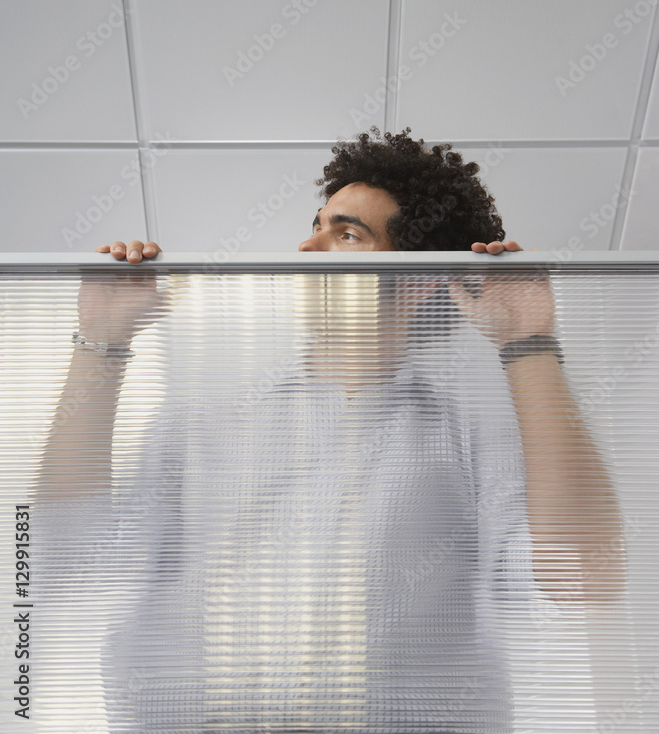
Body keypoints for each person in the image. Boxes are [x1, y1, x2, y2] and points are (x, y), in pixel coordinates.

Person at [35, 128, 625, 733]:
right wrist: (102, 339)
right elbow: (65, 564)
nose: (306, 247)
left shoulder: (471, 439)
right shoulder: (196, 429)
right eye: (316, 225)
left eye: (346, 233)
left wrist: (527, 339)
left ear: (421, 278)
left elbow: (585, 574)